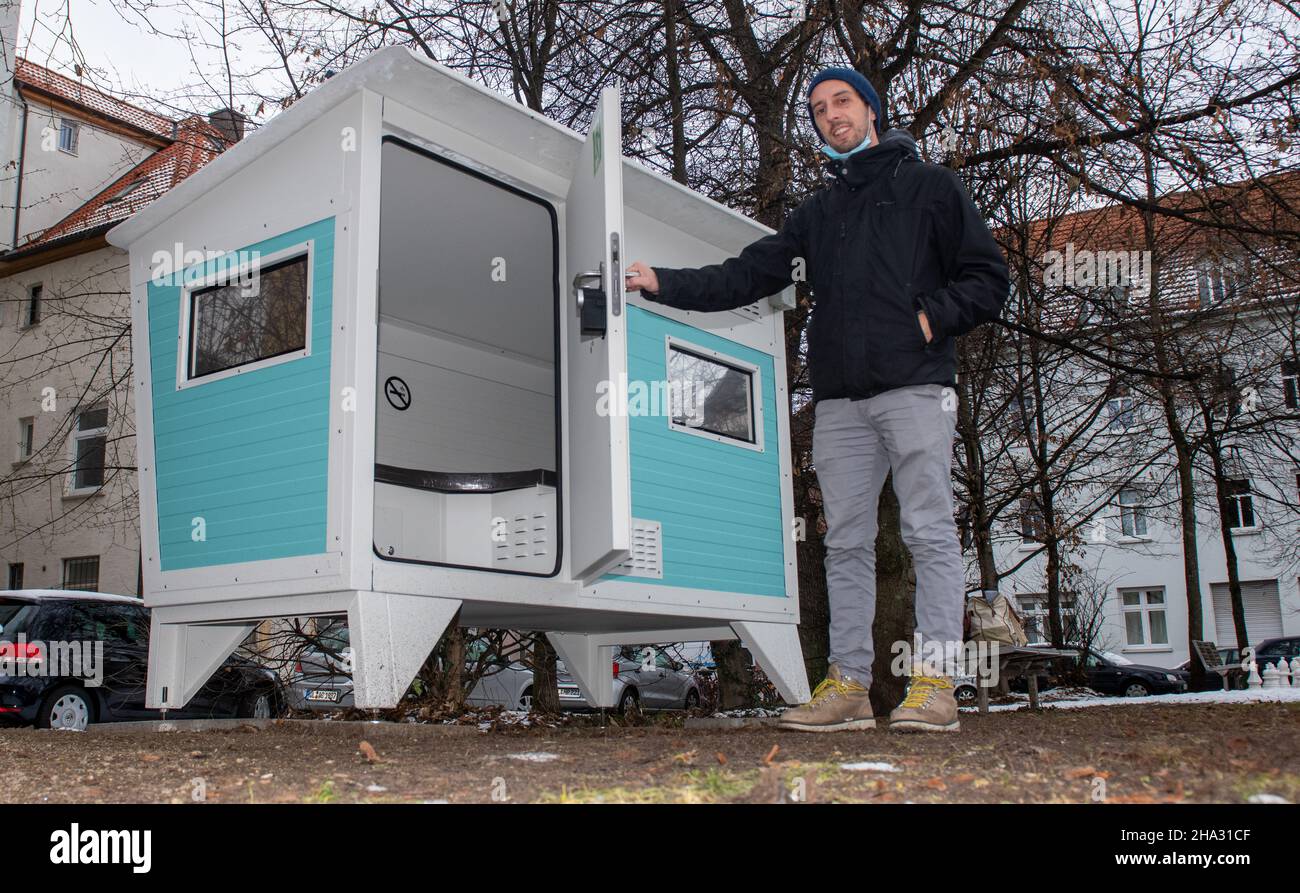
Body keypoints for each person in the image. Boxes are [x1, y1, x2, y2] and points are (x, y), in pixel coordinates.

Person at [624, 66, 1010, 733]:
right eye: (819, 109)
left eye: (843, 101)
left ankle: (937, 683)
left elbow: (989, 278)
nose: (832, 114)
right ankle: (851, 684)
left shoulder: (931, 189)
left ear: (871, 109)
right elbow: (746, 274)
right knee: (846, 544)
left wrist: (927, 319)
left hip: (917, 386)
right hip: (840, 405)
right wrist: (661, 280)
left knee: (928, 531)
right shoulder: (818, 214)